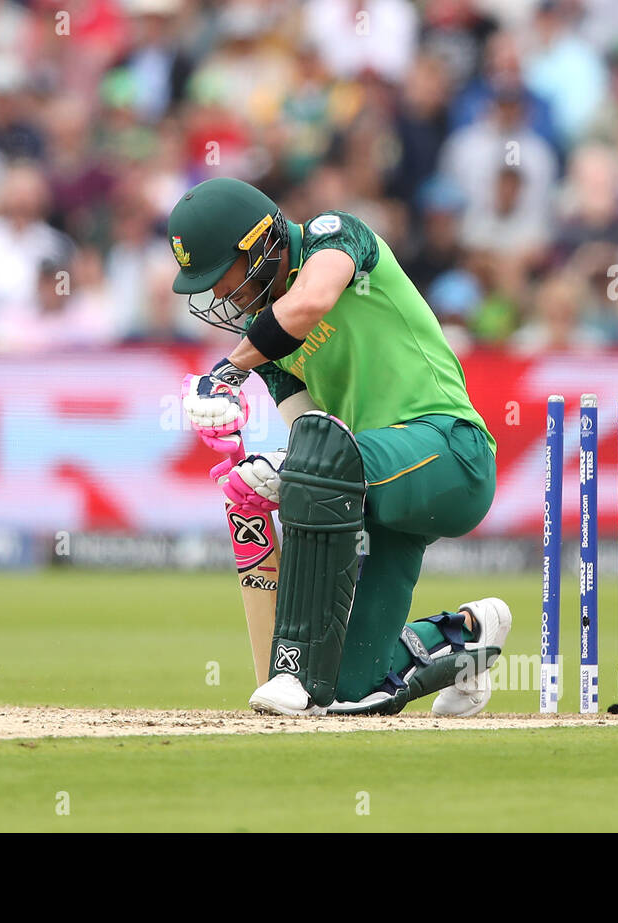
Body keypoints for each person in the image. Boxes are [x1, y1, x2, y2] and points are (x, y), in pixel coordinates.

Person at [171, 176, 509, 717]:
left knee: (316, 467)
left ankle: (290, 669)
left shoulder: (336, 237)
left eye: (219, 276)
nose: (216, 295)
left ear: (258, 244)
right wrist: (267, 477)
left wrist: (227, 371)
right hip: (386, 501)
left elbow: (311, 302)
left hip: (452, 452)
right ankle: (466, 639)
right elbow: (314, 435)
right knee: (350, 690)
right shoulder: (270, 346)